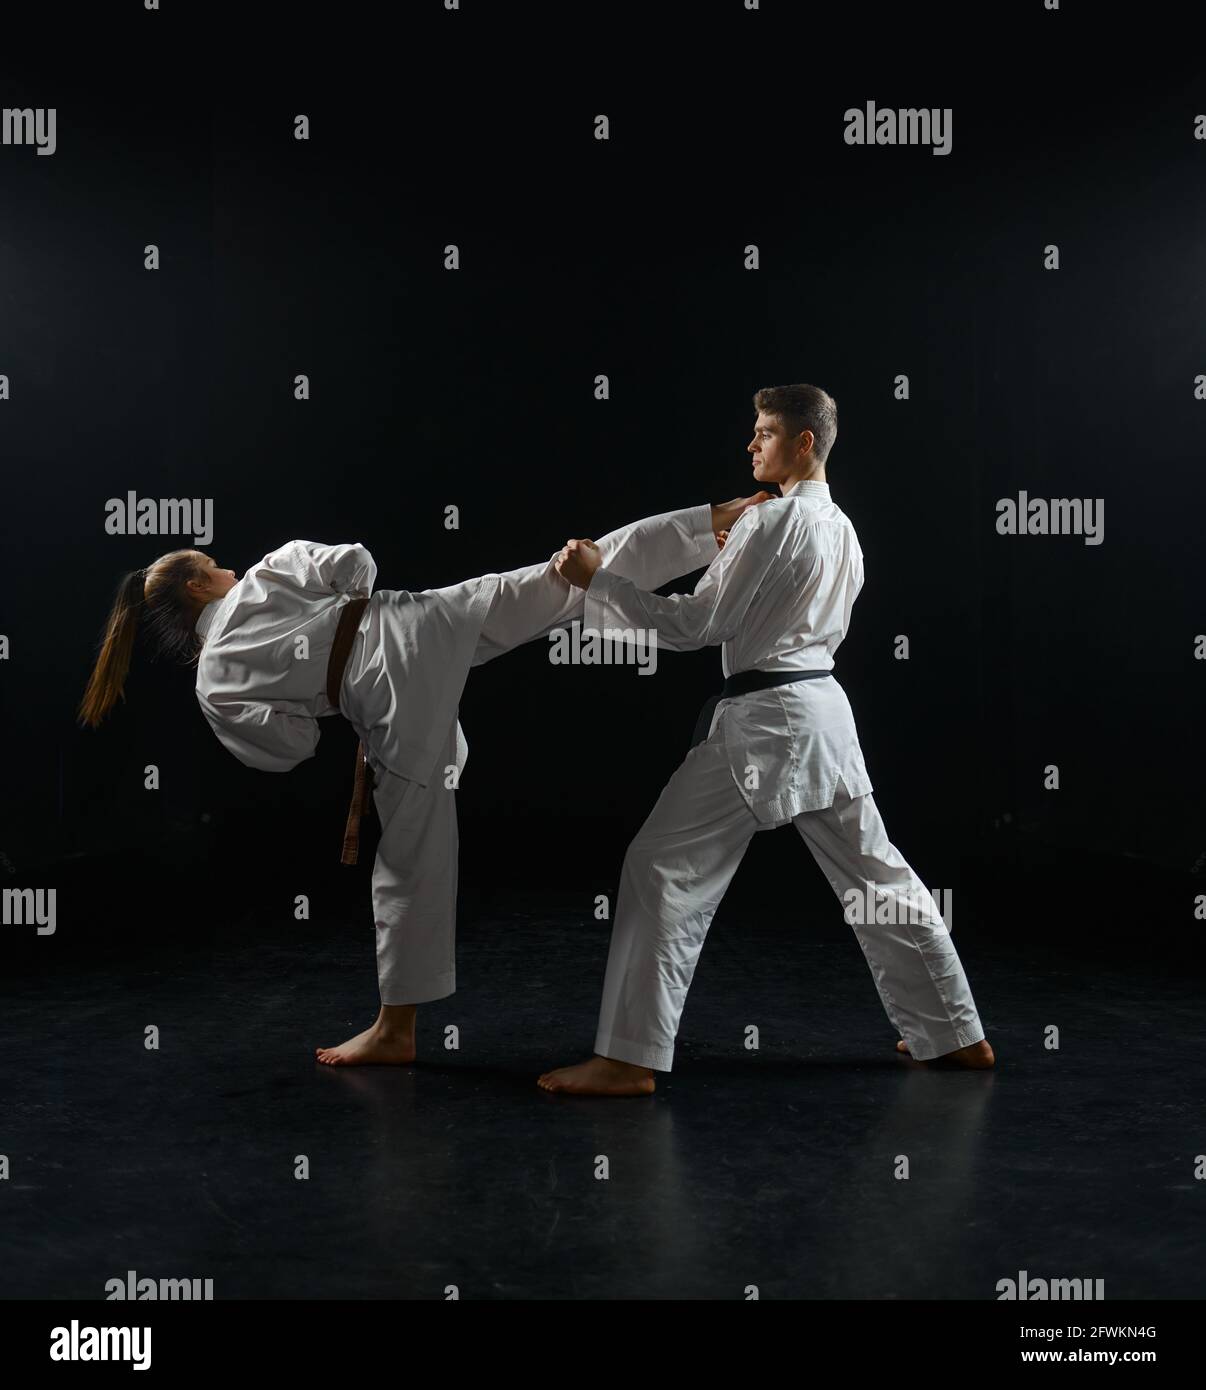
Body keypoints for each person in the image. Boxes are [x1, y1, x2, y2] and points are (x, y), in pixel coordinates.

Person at [77, 493, 771, 1065]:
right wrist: (348, 618)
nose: (227, 569)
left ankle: (396, 1031)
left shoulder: (214, 685)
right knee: (556, 582)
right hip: (420, 622)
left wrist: (323, 686)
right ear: (200, 584)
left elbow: (286, 749)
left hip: (378, 700)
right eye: (214, 567)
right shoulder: (270, 569)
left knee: (411, 853)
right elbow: (358, 565)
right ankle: (715, 524)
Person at [538, 384, 994, 1097]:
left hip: (765, 724)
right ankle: (957, 1035)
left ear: (805, 442)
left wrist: (601, 581)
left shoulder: (771, 522)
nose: (752, 445)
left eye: (766, 432)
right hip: (821, 716)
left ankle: (627, 1060)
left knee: (662, 869)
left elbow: (694, 626)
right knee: (878, 878)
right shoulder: (842, 528)